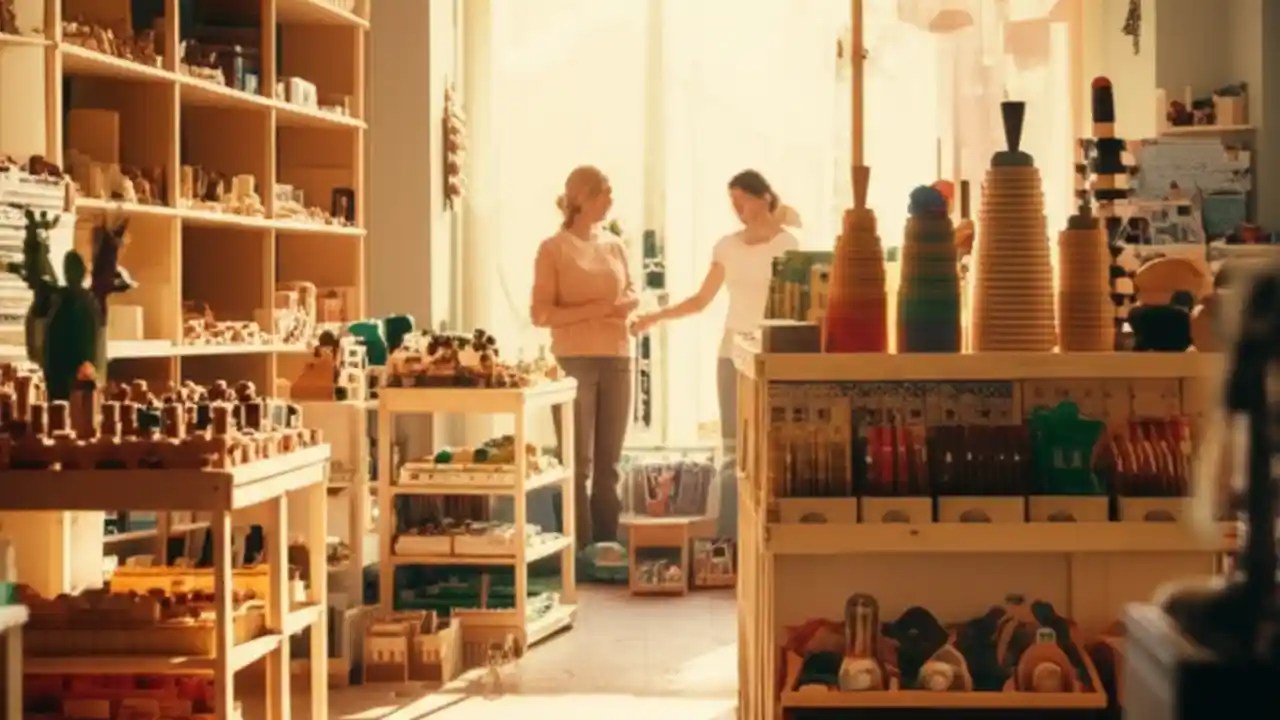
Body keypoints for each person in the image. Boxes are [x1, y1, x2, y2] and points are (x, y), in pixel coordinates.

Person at [630, 169, 799, 537]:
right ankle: (730, 540)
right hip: (731, 354)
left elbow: (798, 308)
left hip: (772, 356)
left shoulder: (788, 246)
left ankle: (769, 534)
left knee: (770, 448)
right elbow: (700, 300)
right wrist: (654, 318)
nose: (739, 209)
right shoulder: (727, 246)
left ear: (765, 198)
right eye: (733, 203)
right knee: (733, 450)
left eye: (744, 200)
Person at [530, 165, 637, 548]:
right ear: (582, 198)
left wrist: (627, 305)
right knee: (576, 464)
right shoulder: (552, 249)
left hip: (617, 357)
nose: (611, 200)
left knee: (609, 465)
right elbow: (541, 314)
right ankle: (575, 552)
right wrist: (599, 309)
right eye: (605, 192)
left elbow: (631, 292)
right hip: (573, 363)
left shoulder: (615, 245)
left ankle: (607, 549)